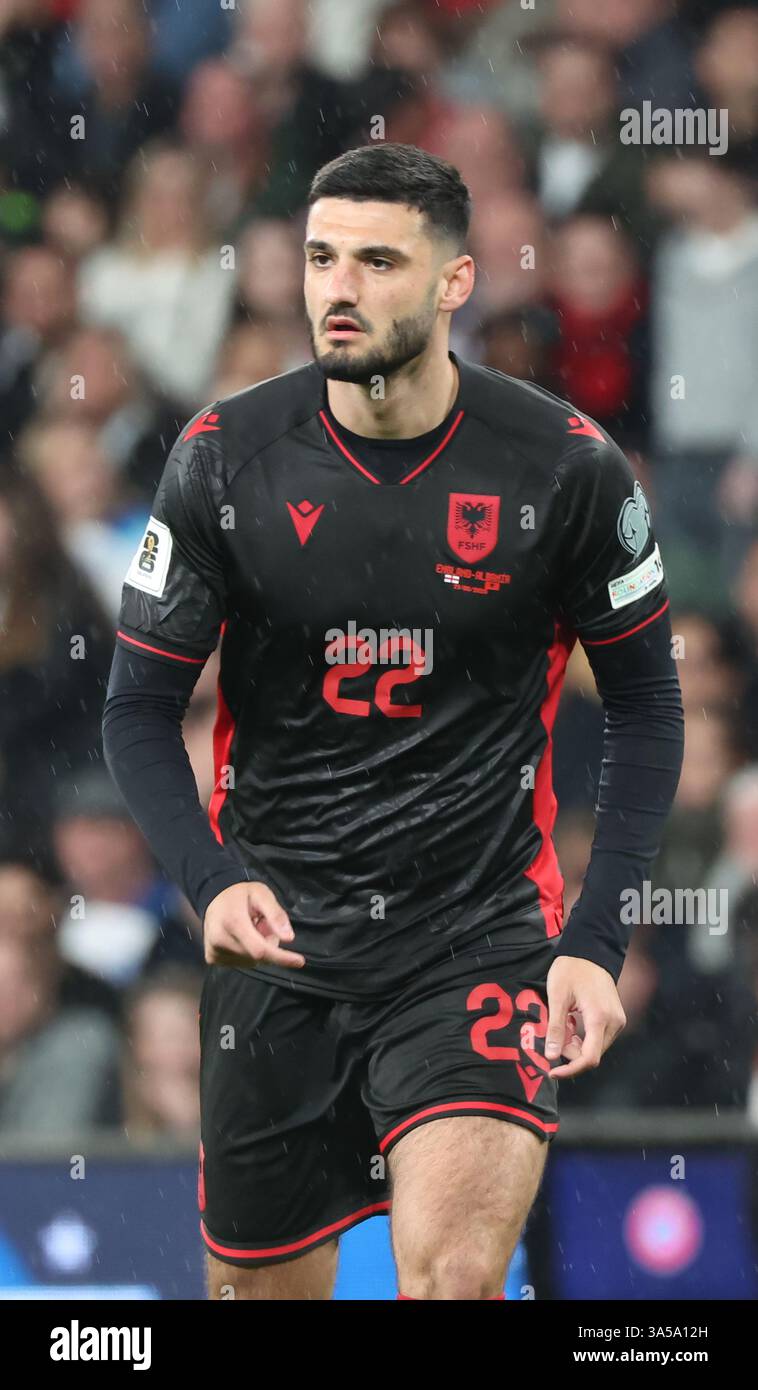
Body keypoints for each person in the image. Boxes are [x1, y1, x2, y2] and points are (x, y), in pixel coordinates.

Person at [102, 143, 684, 1300]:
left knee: (456, 1280)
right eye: (321, 258)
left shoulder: (566, 470)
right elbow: (136, 707)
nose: (338, 287)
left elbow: (646, 705)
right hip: (278, 942)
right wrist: (210, 881)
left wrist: (596, 940)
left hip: (474, 935)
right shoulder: (222, 460)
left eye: (376, 260)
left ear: (453, 282)